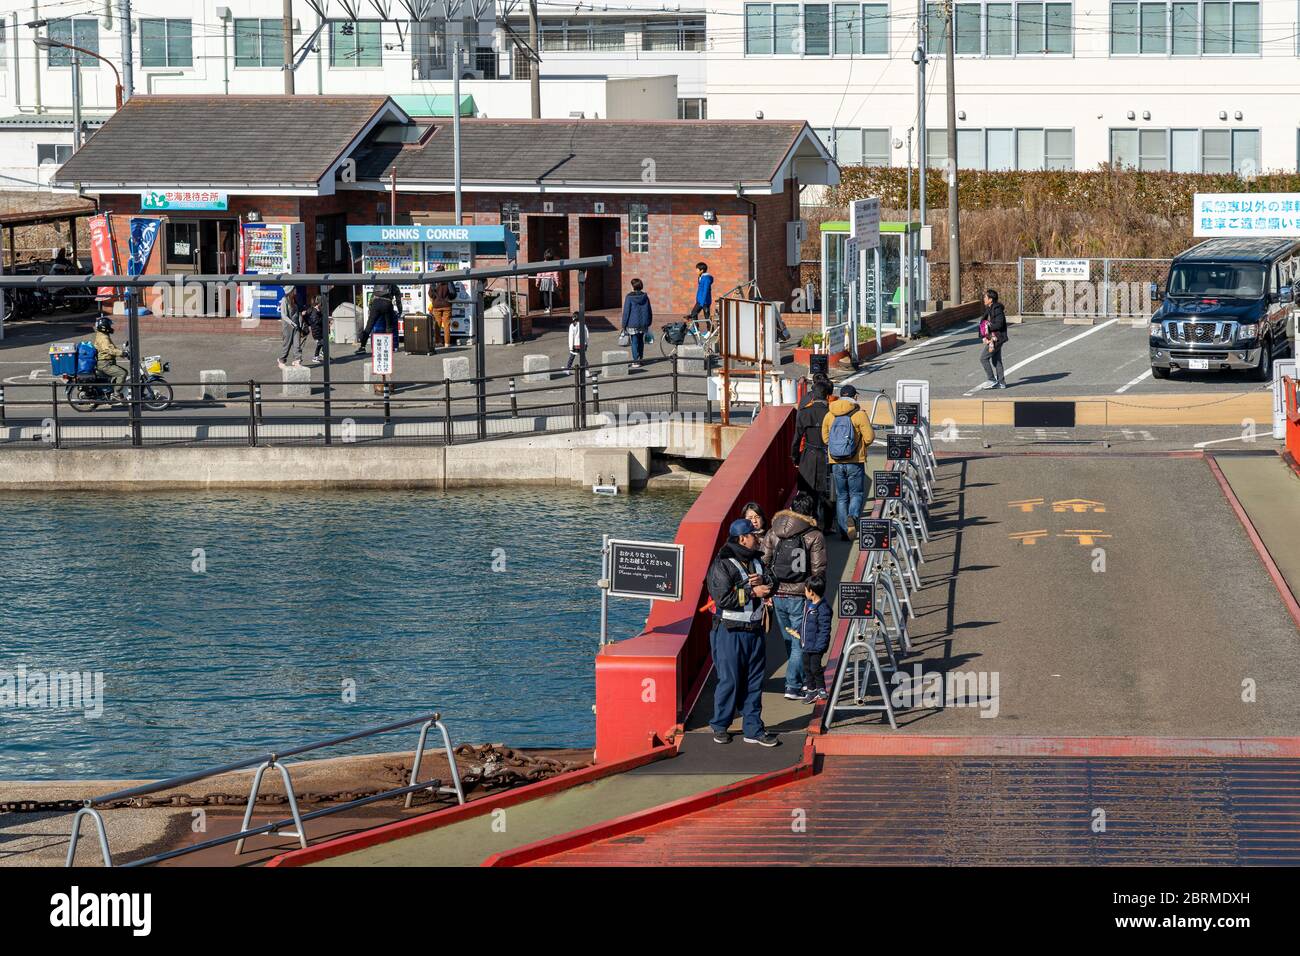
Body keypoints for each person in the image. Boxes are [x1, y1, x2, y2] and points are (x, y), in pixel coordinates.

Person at [706, 518, 779, 747]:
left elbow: (774, 581)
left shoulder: (757, 560)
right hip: (730, 631)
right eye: (753, 535)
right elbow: (723, 599)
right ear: (742, 539)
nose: (758, 538)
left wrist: (765, 581)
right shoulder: (722, 564)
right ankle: (720, 725)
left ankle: (753, 728)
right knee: (730, 681)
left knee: (754, 682)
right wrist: (751, 592)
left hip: (754, 631)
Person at [763, 491, 828, 702]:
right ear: (810, 512)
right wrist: (815, 596)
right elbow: (819, 569)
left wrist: (768, 589)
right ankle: (792, 685)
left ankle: (796, 678)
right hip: (801, 594)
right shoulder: (814, 535)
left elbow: (764, 561)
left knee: (789, 639)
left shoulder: (774, 531)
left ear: (791, 510)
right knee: (801, 642)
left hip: (778, 593)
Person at [821, 383, 874, 542]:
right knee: (856, 493)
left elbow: (825, 438)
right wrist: (859, 446)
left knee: (842, 495)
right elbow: (870, 437)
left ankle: (844, 531)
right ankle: (853, 517)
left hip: (836, 461)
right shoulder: (859, 414)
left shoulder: (830, 414)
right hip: (855, 460)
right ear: (854, 396)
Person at [792, 377, 835, 532]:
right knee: (827, 491)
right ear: (827, 396)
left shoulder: (804, 413)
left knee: (806, 490)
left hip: (809, 454)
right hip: (828, 455)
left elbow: (796, 439)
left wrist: (795, 457)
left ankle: (808, 522)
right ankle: (828, 526)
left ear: (813, 395)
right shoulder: (832, 412)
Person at [799, 575, 832, 703]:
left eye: (805, 589)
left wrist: (821, 645)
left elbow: (825, 628)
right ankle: (811, 690)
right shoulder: (807, 604)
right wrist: (799, 632)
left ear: (811, 592)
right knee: (806, 667)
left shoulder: (823, 608)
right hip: (806, 643)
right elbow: (804, 622)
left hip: (816, 646)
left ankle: (821, 688)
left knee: (815, 668)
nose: (804, 592)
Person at [91, 316, 127, 403]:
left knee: (120, 372)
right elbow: (108, 350)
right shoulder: (103, 338)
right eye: (109, 326)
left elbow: (112, 348)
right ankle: (116, 393)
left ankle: (111, 391)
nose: (110, 328)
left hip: (106, 362)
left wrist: (122, 352)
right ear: (104, 326)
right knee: (122, 373)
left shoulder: (103, 335)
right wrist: (122, 353)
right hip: (105, 364)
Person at [978, 288, 1009, 390]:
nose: (984, 299)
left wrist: (988, 327)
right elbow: (982, 323)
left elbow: (999, 324)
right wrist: (983, 336)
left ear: (990, 299)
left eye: (985, 297)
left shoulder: (997, 309)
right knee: (996, 360)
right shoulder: (989, 308)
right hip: (993, 338)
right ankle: (1001, 383)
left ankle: (991, 379)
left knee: (983, 358)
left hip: (997, 338)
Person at [355, 284, 399, 355]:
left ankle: (362, 347)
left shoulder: (377, 284)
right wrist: (400, 311)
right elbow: (398, 299)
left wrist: (370, 308)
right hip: (387, 303)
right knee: (389, 326)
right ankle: (389, 347)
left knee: (369, 327)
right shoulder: (393, 285)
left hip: (376, 303)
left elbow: (372, 297)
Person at [620, 278, 653, 368]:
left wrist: (624, 324)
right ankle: (641, 359)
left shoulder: (629, 297)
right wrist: (649, 321)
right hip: (643, 323)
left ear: (633, 286)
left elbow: (626, 312)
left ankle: (636, 361)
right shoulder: (645, 296)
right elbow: (649, 310)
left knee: (634, 342)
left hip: (632, 323)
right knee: (641, 341)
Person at [278, 287, 304, 370]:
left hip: (296, 325)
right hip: (288, 325)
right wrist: (291, 323)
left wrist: (300, 323)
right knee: (287, 344)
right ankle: (281, 360)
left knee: (297, 344)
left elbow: (299, 312)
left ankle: (297, 360)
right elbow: (283, 315)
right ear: (290, 291)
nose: (296, 290)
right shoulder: (284, 300)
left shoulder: (295, 299)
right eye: (294, 289)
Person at [428, 276, 455, 349]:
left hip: (436, 306)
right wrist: (448, 297)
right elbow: (453, 293)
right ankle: (447, 343)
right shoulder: (448, 279)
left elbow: (430, 294)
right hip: (447, 305)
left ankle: (438, 342)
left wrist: (435, 297)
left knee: (437, 324)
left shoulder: (433, 280)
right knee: (447, 324)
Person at [302, 294, 326, 365]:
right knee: (322, 343)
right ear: (318, 303)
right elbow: (316, 321)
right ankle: (316, 356)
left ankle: (321, 354)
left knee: (321, 343)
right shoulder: (314, 311)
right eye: (321, 303)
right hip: (316, 331)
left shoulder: (315, 310)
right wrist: (323, 318)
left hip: (319, 331)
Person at [534, 249, 560, 315]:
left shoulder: (542, 263)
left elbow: (539, 273)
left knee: (546, 294)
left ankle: (547, 307)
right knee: (550, 294)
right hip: (550, 280)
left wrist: (537, 281)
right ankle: (549, 307)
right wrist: (557, 281)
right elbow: (555, 273)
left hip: (544, 280)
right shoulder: (553, 264)